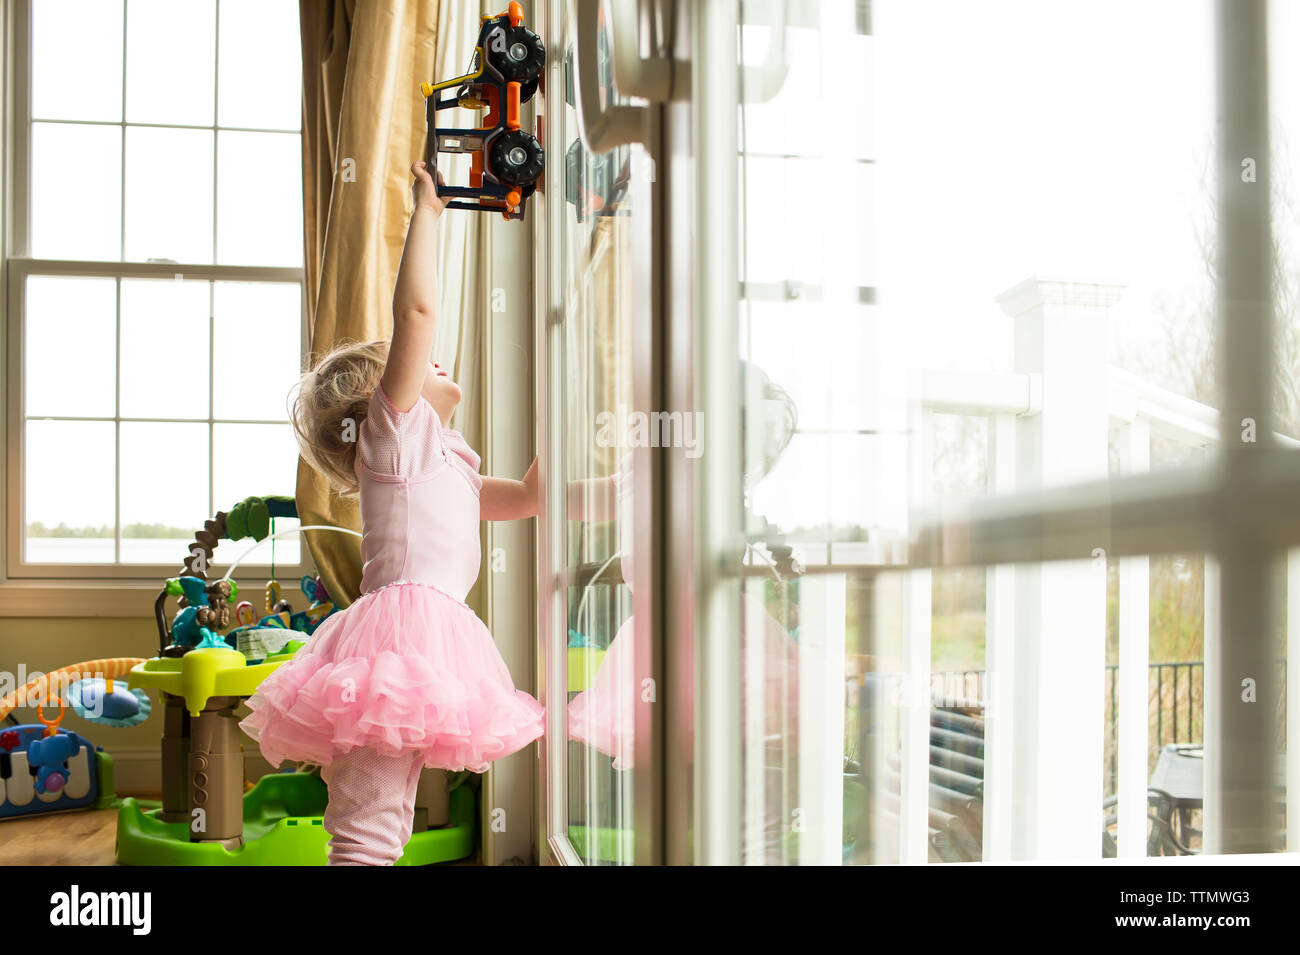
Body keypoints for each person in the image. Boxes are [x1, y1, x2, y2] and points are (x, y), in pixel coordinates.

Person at [239, 161, 544, 866]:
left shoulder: (446, 462)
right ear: (379, 399)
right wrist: (428, 213)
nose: (433, 363)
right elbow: (417, 315)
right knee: (370, 818)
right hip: (395, 645)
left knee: (384, 815)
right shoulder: (394, 437)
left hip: (418, 644)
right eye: (412, 366)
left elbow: (529, 496)